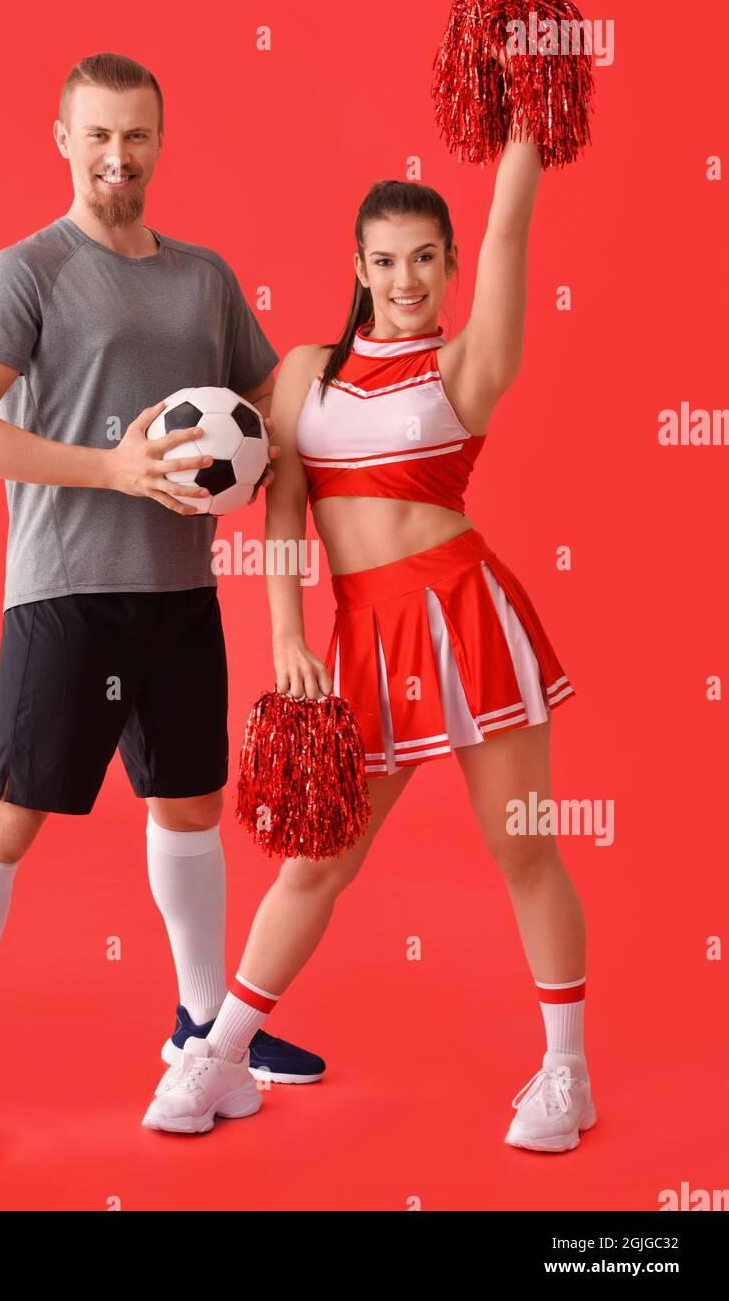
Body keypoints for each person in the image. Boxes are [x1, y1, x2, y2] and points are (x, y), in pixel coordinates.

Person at [0, 51, 325, 1171]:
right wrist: (111, 469)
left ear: (159, 139)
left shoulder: (201, 278)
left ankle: (201, 1032)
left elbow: (268, 395)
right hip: (65, 592)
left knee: (192, 806)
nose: (116, 156)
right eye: (96, 134)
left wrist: (333, 369)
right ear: (60, 136)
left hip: (181, 593)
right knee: (3, 818)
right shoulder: (26, 271)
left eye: (135, 135)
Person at [144, 117, 596, 1152]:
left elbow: (511, 236)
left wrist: (528, 118)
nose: (406, 280)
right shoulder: (307, 370)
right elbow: (284, 507)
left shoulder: (468, 362)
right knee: (316, 862)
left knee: (522, 848)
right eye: (385, 261)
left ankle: (564, 1074)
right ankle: (219, 1058)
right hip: (360, 642)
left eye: (425, 259)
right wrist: (286, 635)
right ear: (358, 265)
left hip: (467, 616)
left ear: (444, 266)